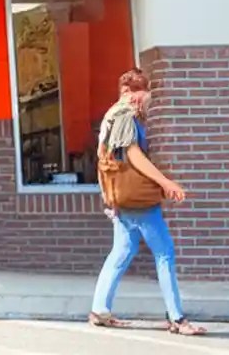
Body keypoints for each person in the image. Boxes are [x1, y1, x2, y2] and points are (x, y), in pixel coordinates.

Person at [89, 69, 204, 336]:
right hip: (138, 199)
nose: (145, 101)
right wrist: (166, 182)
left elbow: (103, 162)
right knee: (164, 253)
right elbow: (133, 155)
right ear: (131, 92)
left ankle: (99, 310)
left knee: (121, 252)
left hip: (122, 199)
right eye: (144, 94)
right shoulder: (126, 117)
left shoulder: (110, 118)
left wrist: (109, 196)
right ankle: (177, 318)